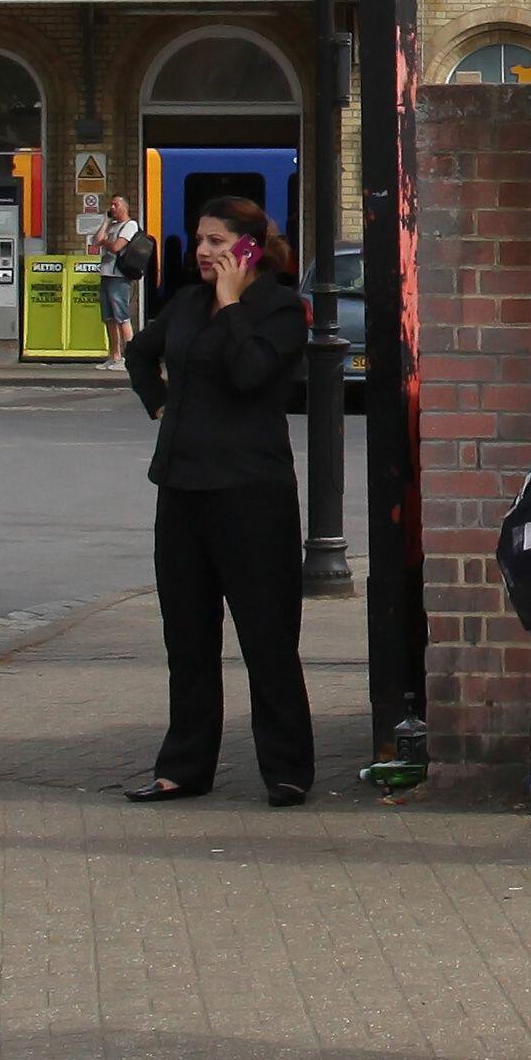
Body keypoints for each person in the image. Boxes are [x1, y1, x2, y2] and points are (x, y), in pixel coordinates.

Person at [116, 205, 315, 805]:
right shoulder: (183, 303)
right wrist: (159, 403)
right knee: (188, 638)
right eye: (199, 239)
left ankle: (286, 769)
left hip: (252, 496)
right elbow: (139, 353)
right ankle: (184, 766)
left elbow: (253, 372)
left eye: (217, 241)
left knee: (266, 637)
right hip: (182, 493)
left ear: (250, 250)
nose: (202, 251)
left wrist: (230, 306)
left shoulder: (278, 309)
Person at [94, 190, 151, 343]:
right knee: (109, 318)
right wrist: (106, 221)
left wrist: (106, 242)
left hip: (119, 276)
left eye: (115, 205)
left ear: (124, 207)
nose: (112, 207)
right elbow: (96, 239)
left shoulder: (130, 225)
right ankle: (115, 356)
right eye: (111, 205)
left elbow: (116, 247)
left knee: (121, 316)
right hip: (106, 274)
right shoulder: (112, 226)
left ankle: (130, 355)